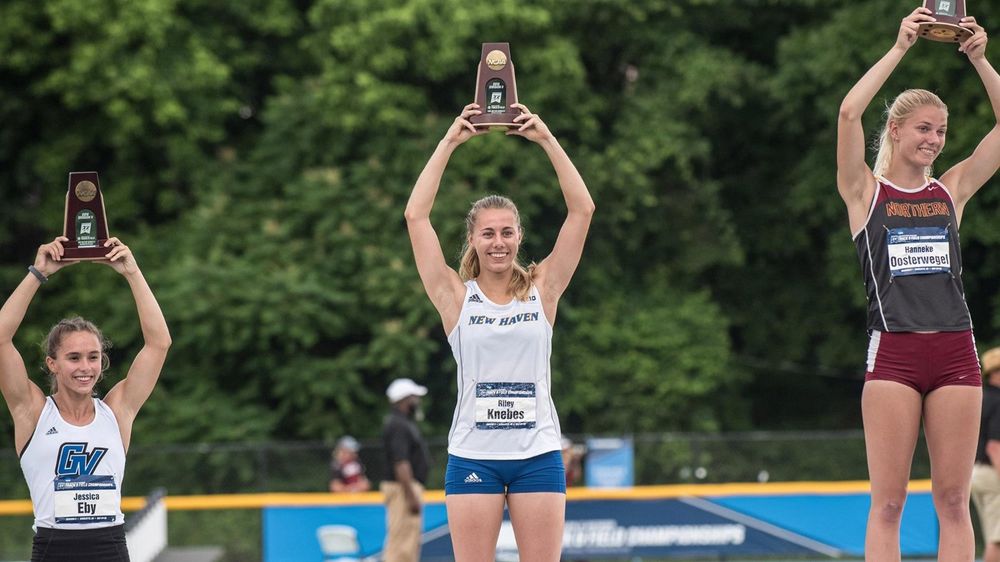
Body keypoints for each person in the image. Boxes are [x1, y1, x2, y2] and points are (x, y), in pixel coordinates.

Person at [836, 6, 1000, 560]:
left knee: (953, 502)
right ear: (897, 130)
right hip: (894, 356)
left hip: (956, 351)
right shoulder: (866, 193)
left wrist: (980, 60)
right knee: (888, 504)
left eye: (942, 131)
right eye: (924, 128)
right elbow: (848, 112)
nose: (934, 139)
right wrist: (900, 47)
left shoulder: (951, 190)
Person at [405, 102, 594, 561]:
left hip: (538, 455)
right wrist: (450, 141)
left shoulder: (543, 289)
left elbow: (582, 210)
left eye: (507, 233)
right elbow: (416, 216)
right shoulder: (455, 297)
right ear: (472, 239)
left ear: (519, 237)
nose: (498, 243)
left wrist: (547, 139)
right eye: (488, 234)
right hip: (474, 455)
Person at [0, 236, 171, 561]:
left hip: (111, 550)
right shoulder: (33, 411)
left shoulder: (117, 411)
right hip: (54, 550)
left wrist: (132, 272)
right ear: (53, 363)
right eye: (74, 357)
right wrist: (38, 273)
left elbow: (158, 343)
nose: (85, 367)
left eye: (93, 357)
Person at [381, 378, 431, 562]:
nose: (417, 402)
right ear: (404, 399)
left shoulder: (401, 423)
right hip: (403, 489)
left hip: (405, 488)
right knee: (401, 544)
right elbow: (401, 462)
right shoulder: (398, 425)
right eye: (414, 397)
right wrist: (411, 495)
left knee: (408, 543)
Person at [973, 347, 1000, 562]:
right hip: (993, 474)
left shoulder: (980, 398)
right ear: (995, 373)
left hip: (975, 472)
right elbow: (994, 446)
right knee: (998, 540)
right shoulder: (999, 401)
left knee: (992, 534)